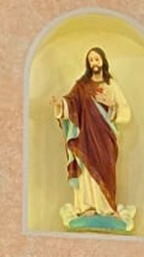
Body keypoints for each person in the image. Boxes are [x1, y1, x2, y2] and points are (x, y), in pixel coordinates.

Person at [52, 46, 134, 226]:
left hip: (105, 138)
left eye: (96, 59)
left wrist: (112, 105)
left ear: (103, 61)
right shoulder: (81, 86)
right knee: (86, 170)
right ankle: (86, 206)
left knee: (106, 168)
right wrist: (61, 105)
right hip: (86, 139)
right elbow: (70, 103)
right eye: (91, 60)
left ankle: (106, 208)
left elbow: (126, 113)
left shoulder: (111, 85)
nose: (94, 63)